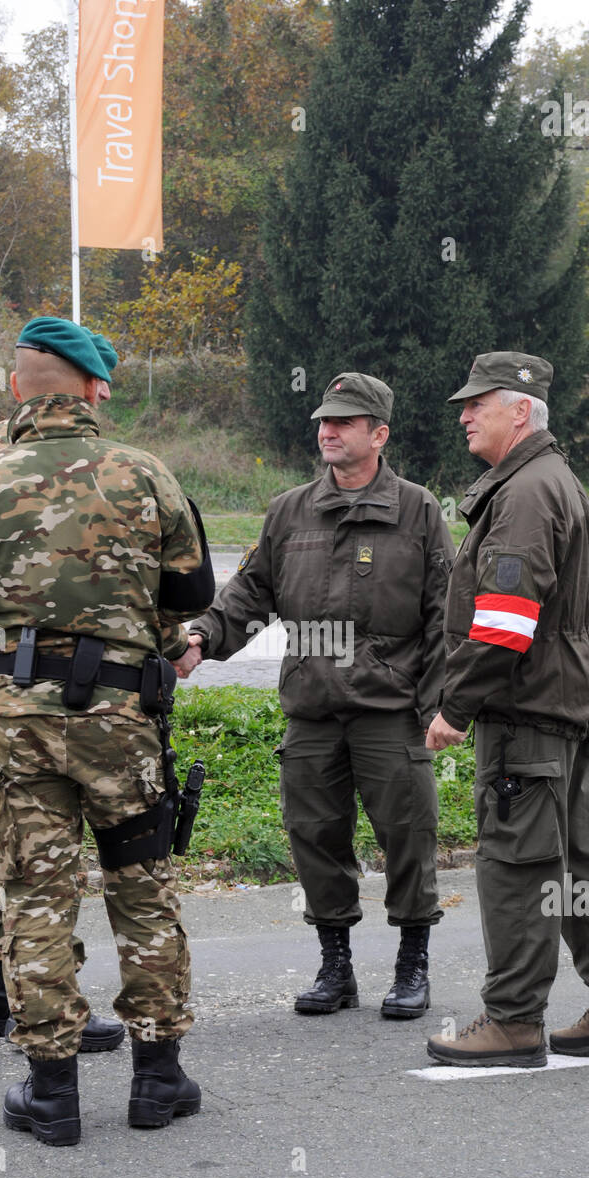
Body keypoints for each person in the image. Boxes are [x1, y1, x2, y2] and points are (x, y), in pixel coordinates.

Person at [0, 317, 214, 1145]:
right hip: (122, 720)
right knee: (143, 889)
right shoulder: (148, 475)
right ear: (94, 387)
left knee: (36, 897)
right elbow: (188, 599)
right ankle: (158, 1079)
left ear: (18, 388)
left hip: (17, 723)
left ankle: (53, 1093)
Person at [183, 372, 454, 1018]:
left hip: (390, 711)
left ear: (378, 434)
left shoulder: (418, 510)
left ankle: (410, 966)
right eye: (322, 422)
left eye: (343, 422)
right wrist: (200, 637)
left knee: (408, 836)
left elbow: (447, 615)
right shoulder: (289, 512)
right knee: (313, 836)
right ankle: (336, 968)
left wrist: (442, 704)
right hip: (311, 708)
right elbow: (248, 596)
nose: (326, 432)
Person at [424, 351, 589, 1067]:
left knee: (518, 866)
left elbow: (503, 622)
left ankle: (513, 1021)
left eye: (478, 404)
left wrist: (454, 707)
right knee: (579, 865)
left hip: (524, 708)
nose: (464, 415)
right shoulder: (548, 479)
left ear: (519, 411)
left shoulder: (526, 491)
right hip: (559, 702)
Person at [0, 325, 124, 1054]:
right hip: (38, 674)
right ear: (88, 385)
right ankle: (40, 992)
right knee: (41, 835)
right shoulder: (92, 464)